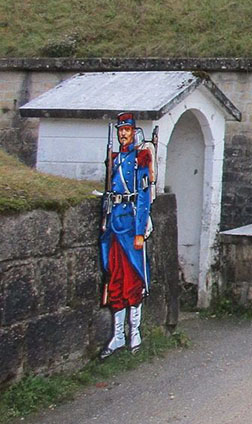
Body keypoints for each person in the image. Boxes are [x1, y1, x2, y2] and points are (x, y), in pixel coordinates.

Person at [99, 112, 153, 359]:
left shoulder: (140, 158)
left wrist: (140, 231)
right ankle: (118, 335)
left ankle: (135, 332)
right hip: (114, 225)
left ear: (133, 132)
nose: (123, 134)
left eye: (127, 130)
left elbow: (143, 196)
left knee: (133, 279)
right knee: (116, 278)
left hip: (130, 225)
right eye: (120, 130)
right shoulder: (114, 158)